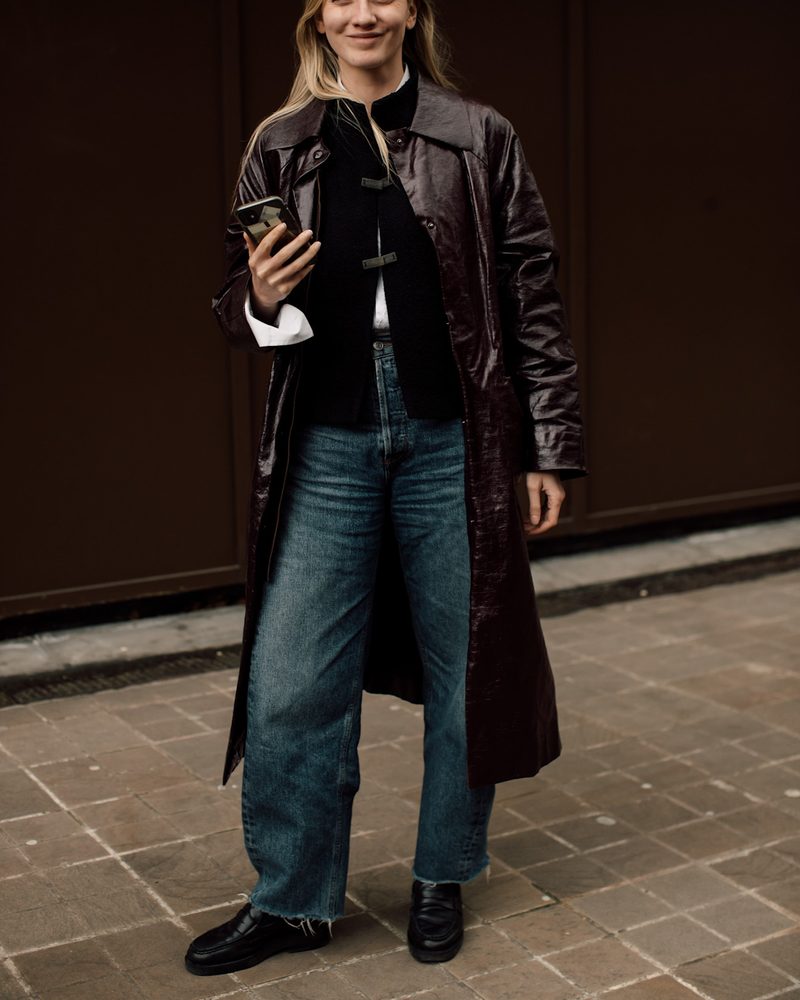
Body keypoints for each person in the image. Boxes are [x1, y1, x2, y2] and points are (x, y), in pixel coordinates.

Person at [185, 0, 586, 977]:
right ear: (318, 19)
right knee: (287, 681)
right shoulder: (278, 145)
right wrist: (263, 298)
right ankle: (291, 897)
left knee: (465, 664)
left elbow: (530, 285)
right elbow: (231, 306)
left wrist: (549, 444)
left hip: (455, 436)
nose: (363, 11)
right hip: (325, 438)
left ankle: (441, 872)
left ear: (410, 13)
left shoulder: (476, 134)